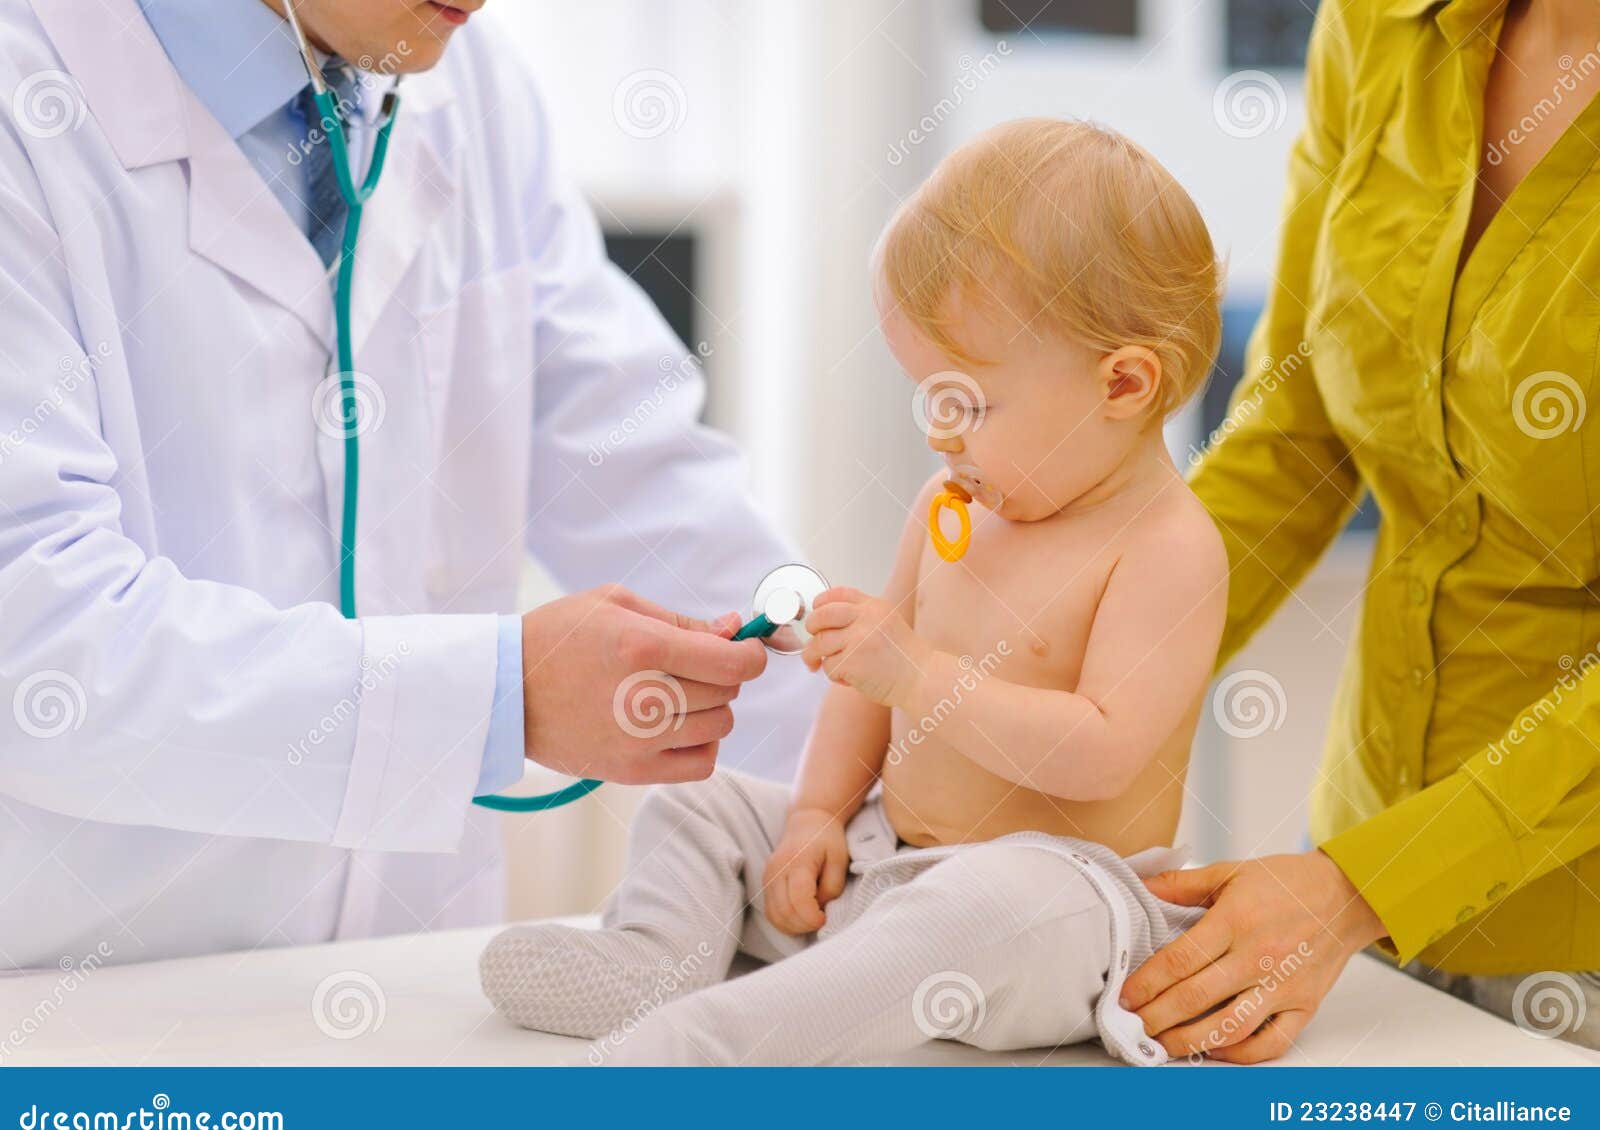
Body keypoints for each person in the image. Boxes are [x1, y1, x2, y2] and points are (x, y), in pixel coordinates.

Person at [0, 0, 820, 971]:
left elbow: (642, 478)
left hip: (415, 987)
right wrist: (495, 697)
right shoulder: (29, 106)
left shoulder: (464, 87)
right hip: (83, 1020)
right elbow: (40, 642)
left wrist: (903, 752)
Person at [478, 119, 1229, 1065]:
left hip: (1056, 899)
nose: (941, 436)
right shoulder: (952, 504)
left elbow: (1103, 754)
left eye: (968, 403)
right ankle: (655, 959)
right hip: (883, 857)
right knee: (704, 807)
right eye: (928, 399)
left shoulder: (1166, 550)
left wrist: (921, 674)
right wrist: (814, 818)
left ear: (1121, 383)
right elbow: (860, 695)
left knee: (987, 910)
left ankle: (724, 1037)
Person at [1123, 0, 1600, 1059]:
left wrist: (1369, 882)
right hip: (1347, 864)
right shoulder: (1383, 22)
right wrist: (1054, 670)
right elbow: (1293, 436)